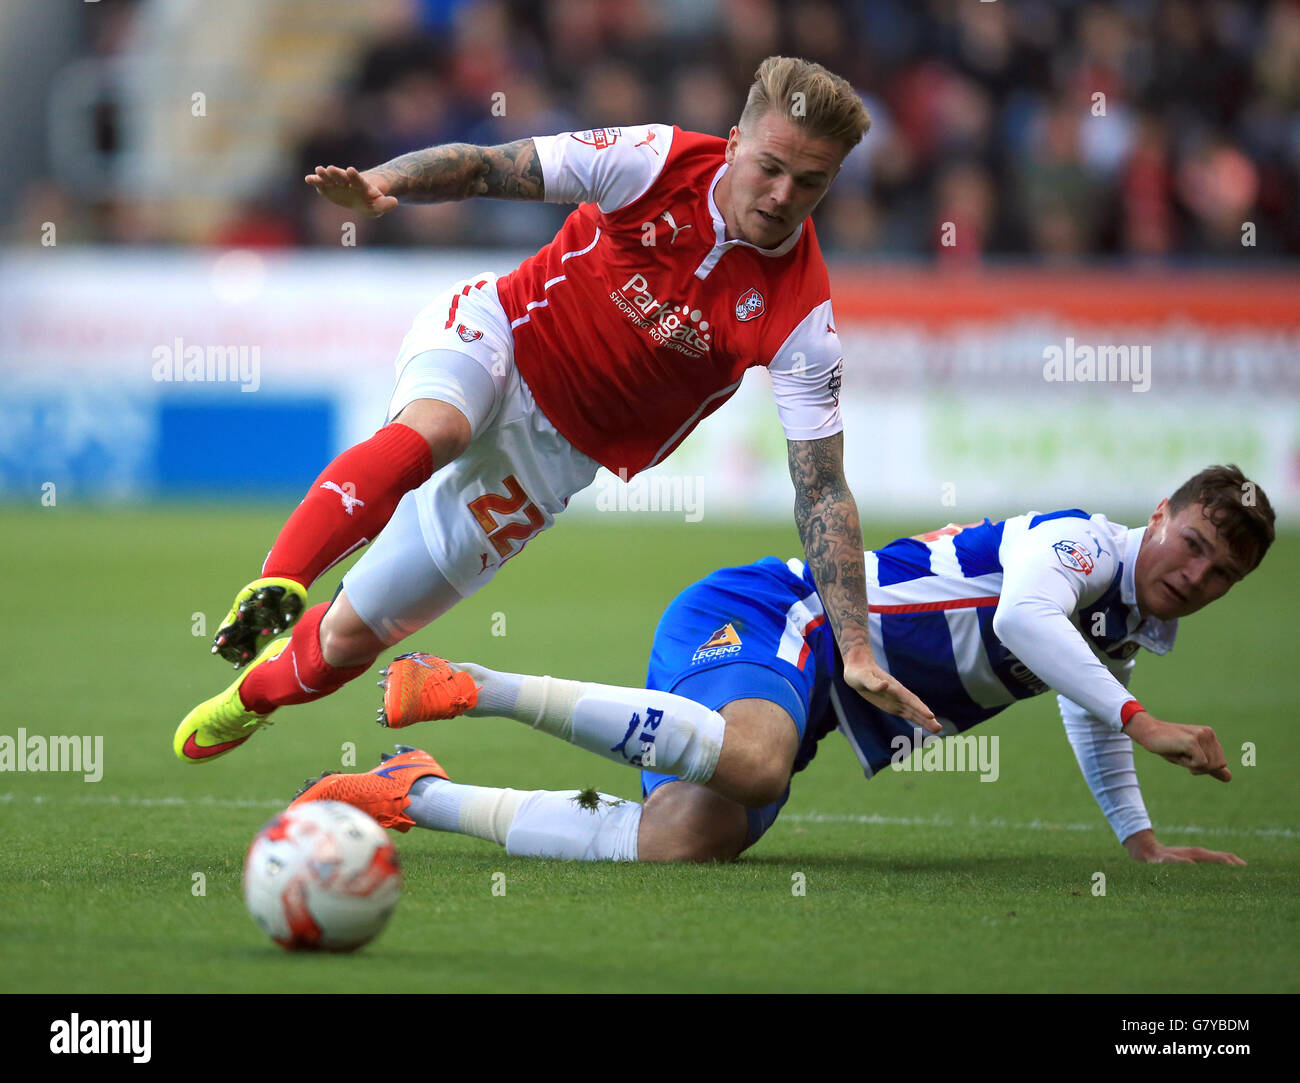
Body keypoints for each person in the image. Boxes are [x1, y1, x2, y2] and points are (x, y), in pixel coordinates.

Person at [173, 56, 939, 764]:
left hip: (547, 465)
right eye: (769, 167)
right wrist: (383, 183)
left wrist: (858, 647)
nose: (781, 196)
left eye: (809, 183)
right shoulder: (654, 160)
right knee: (435, 429)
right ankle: (278, 581)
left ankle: (250, 696)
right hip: (498, 334)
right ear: (735, 142)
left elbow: (823, 490)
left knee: (348, 636)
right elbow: (484, 166)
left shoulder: (803, 315)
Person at [292, 466, 1273, 865]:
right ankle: (470, 687)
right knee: (755, 766)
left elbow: (1080, 697)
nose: (1193, 572)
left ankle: (413, 796)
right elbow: (1023, 622)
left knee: (678, 843)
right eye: (1189, 542)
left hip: (812, 695)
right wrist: (1148, 718)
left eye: (1218, 572)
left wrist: (1138, 840)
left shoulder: (1121, 618)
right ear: (1158, 516)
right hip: (780, 615)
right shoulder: (1081, 548)